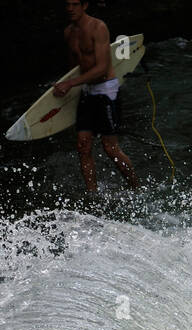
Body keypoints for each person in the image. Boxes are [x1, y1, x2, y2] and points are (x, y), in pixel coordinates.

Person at [52, 0, 139, 193]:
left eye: (75, 4)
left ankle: (136, 188)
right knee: (83, 147)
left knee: (110, 148)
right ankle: (93, 196)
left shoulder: (98, 28)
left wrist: (70, 84)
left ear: (85, 5)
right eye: (66, 4)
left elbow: (100, 69)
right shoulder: (69, 33)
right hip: (86, 92)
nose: (70, 8)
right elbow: (74, 69)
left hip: (106, 91)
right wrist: (63, 86)